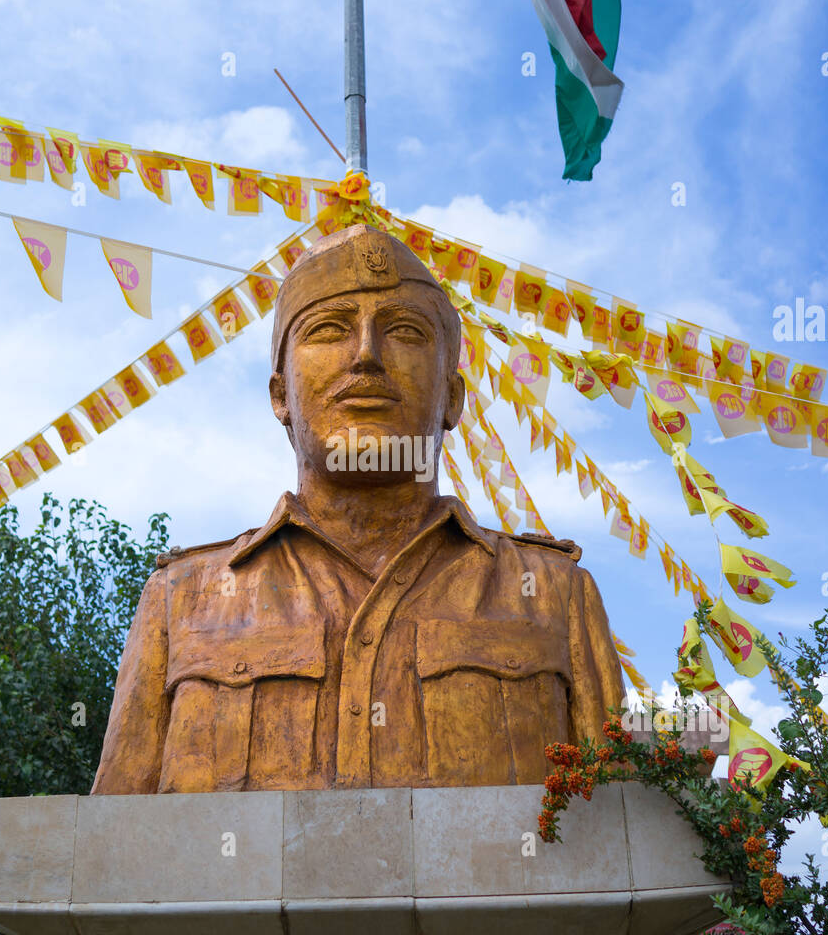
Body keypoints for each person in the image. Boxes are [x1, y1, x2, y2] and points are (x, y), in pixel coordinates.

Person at [91, 223, 623, 793]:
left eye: (405, 331)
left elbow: (628, 823)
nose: (367, 355)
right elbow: (112, 845)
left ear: (452, 397)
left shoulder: (555, 593)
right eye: (328, 330)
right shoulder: (181, 601)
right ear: (280, 396)